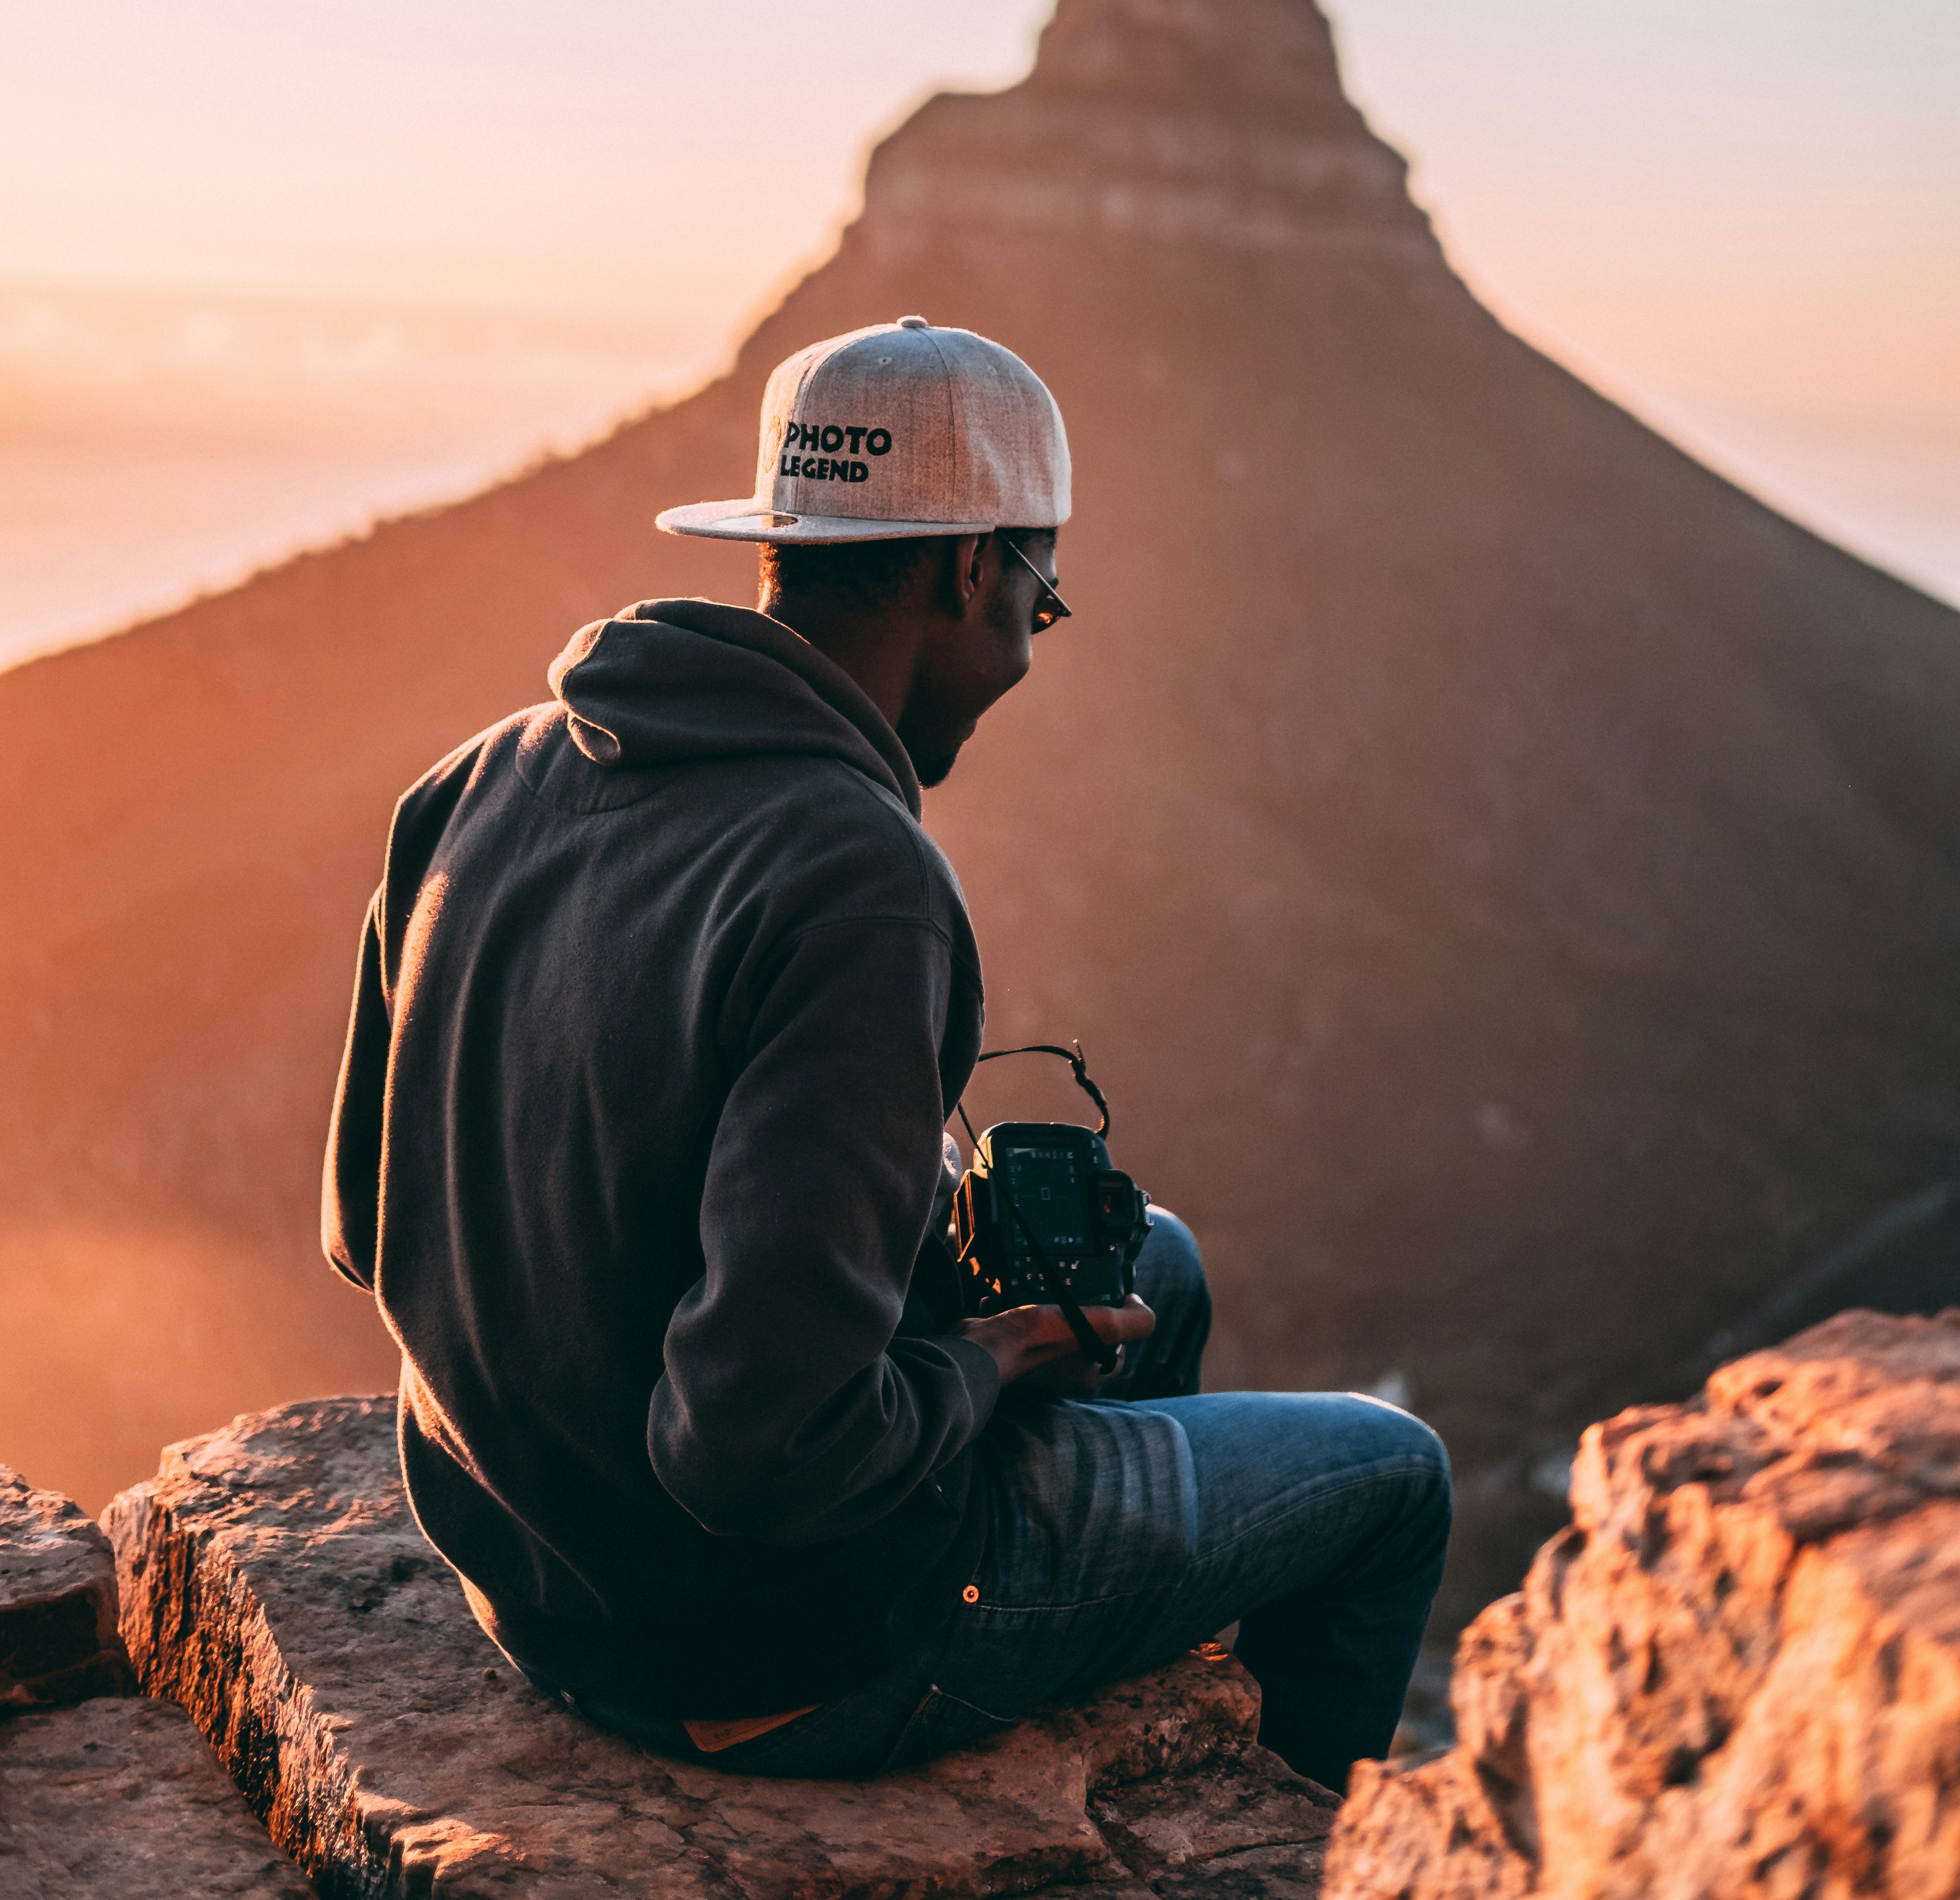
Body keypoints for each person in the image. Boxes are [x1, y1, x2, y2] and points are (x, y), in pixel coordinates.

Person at [323, 315, 1448, 1786]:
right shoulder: (855, 876)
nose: (1024, 648)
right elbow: (757, 1451)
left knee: (1151, 1269)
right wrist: (984, 1362)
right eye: (1038, 601)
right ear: (973, 567)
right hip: (767, 1651)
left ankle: (1113, 1655)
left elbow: (366, 1222)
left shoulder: (481, 773)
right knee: (1392, 1476)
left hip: (530, 1574)